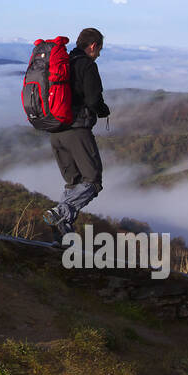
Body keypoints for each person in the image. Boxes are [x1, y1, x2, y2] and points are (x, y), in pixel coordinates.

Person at [42, 27, 111, 237]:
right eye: (99, 49)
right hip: (77, 130)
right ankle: (60, 212)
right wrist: (103, 110)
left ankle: (63, 235)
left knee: (73, 184)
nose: (98, 54)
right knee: (92, 182)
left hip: (55, 131)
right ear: (93, 46)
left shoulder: (62, 64)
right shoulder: (87, 65)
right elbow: (92, 99)